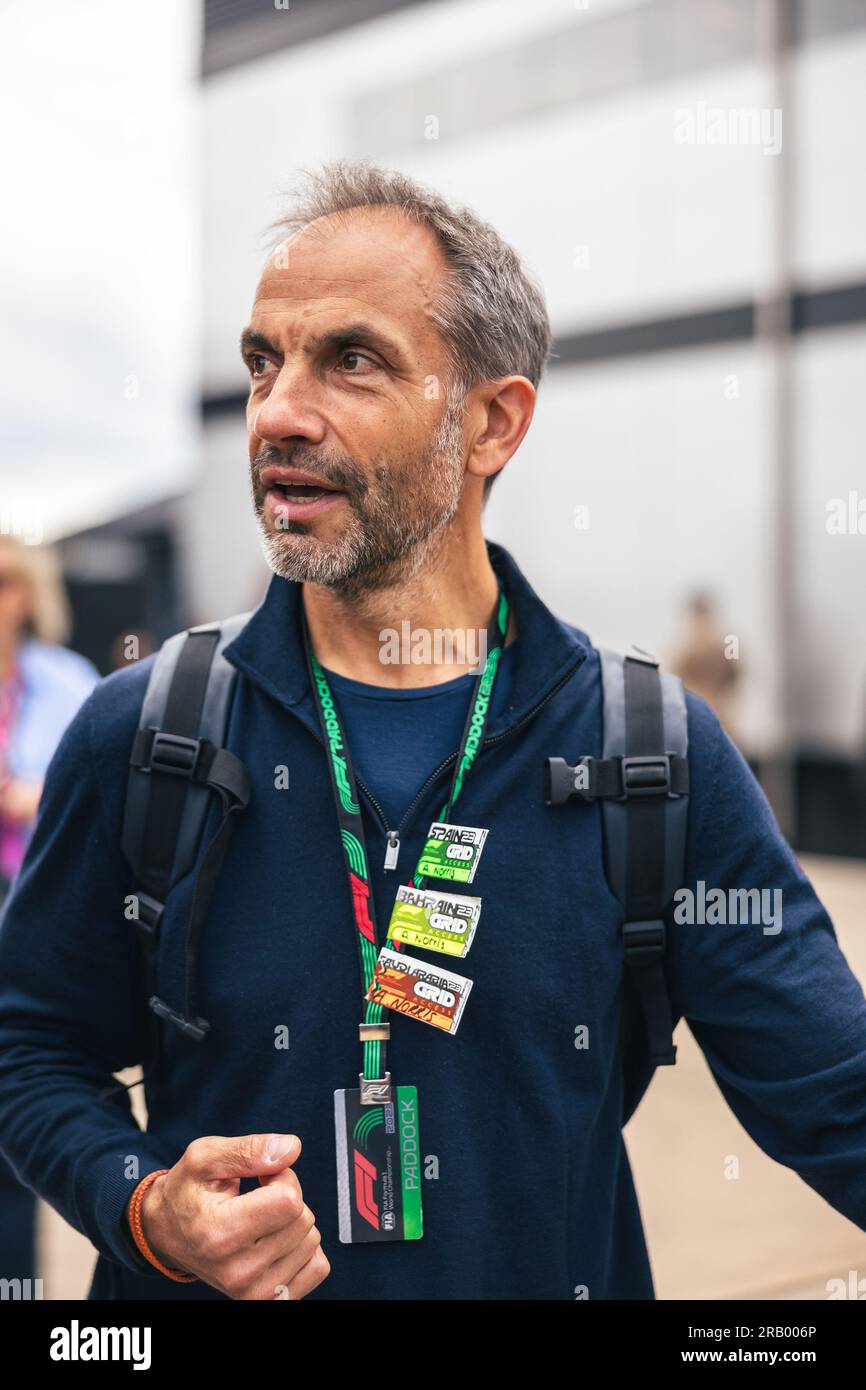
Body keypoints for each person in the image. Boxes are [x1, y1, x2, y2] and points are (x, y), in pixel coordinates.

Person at [0, 163, 864, 1302]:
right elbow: (29, 1049)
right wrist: (143, 1202)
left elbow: (834, 1096)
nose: (278, 412)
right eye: (265, 360)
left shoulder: (648, 754)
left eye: (349, 360)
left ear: (491, 423)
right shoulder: (147, 728)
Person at [0, 536, 98, 1282]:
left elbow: (87, 802)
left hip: (31, 903)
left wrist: (30, 796)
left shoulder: (67, 683)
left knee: (19, 1112)